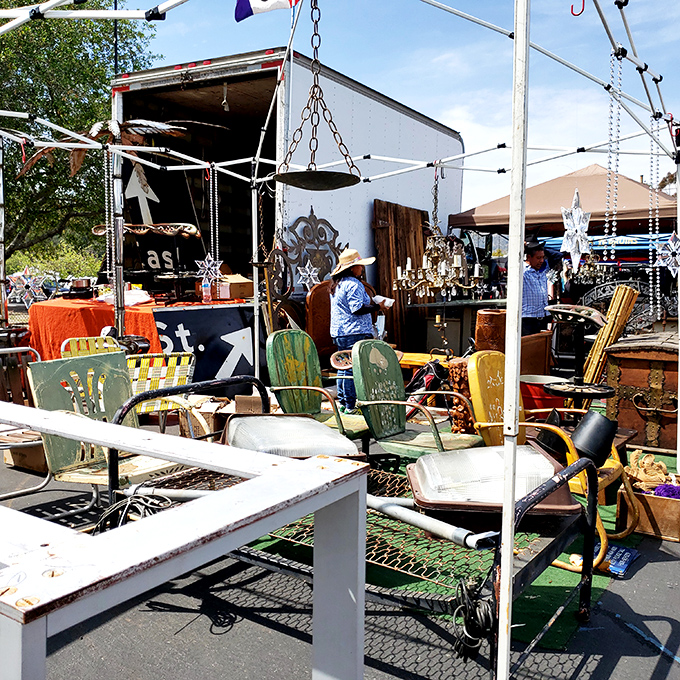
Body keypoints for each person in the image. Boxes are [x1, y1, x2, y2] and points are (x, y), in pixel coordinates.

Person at [330, 248, 389, 413]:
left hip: (339, 331)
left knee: (342, 367)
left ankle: (343, 402)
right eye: (359, 266)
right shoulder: (354, 284)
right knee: (351, 368)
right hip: (354, 331)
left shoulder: (337, 284)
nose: (361, 268)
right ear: (352, 268)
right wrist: (378, 306)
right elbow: (357, 309)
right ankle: (350, 405)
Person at [522, 241, 550, 336]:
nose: (541, 261)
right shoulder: (522, 272)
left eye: (543, 257)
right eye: (538, 258)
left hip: (542, 317)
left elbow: (557, 255)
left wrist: (538, 246)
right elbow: (511, 262)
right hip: (527, 319)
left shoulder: (541, 271)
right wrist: (525, 247)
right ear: (529, 257)